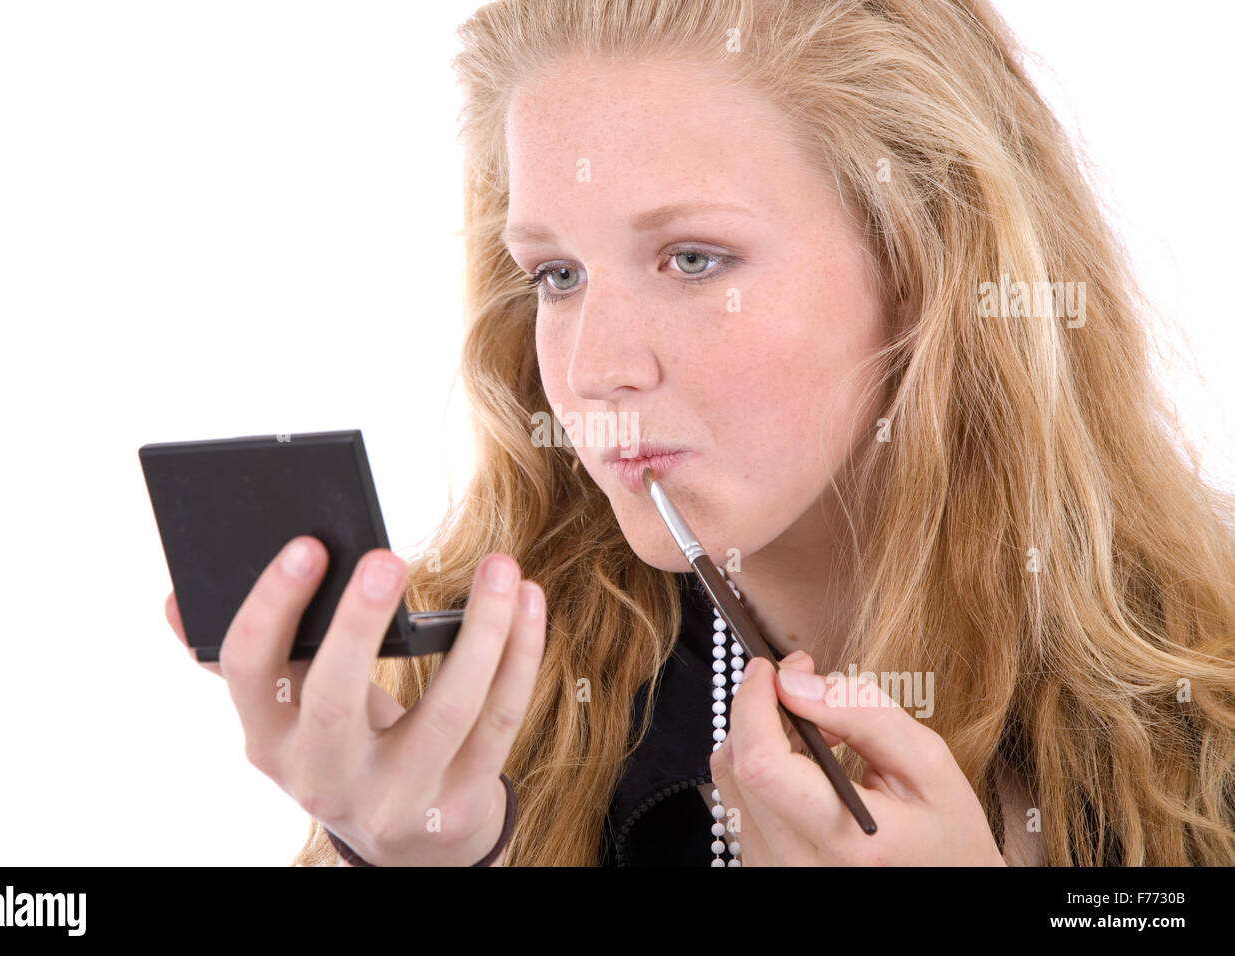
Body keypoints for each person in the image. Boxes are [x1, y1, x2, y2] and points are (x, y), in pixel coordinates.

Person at [167, 0, 1235, 866]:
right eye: (557, 274)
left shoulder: (1207, 718)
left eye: (691, 259)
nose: (593, 368)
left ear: (926, 269)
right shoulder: (473, 722)